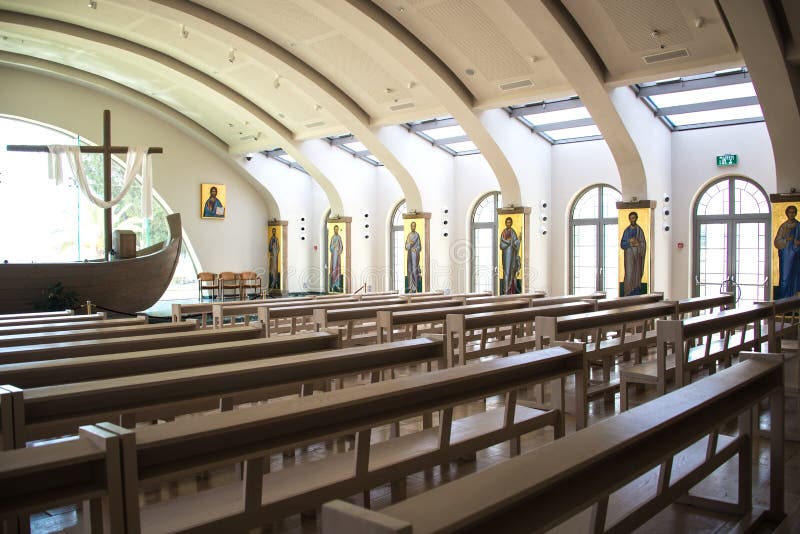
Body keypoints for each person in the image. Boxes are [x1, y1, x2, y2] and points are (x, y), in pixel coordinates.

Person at [774, 205, 800, 299]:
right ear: (787, 214)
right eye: (790, 212)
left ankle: (795, 301)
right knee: (785, 277)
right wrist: (786, 240)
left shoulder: (798, 225)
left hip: (797, 255)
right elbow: (777, 242)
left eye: (793, 212)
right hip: (786, 255)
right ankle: (783, 301)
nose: (792, 214)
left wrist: (798, 242)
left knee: (796, 277)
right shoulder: (783, 226)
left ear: (796, 213)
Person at [620, 211, 647, 296]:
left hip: (638, 256)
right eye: (631, 218)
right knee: (629, 273)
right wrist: (630, 243)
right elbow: (622, 244)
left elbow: (643, 243)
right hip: (629, 256)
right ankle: (628, 293)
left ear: (636, 218)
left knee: (637, 274)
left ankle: (636, 291)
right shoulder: (626, 231)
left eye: (634, 218)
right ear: (629, 219)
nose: (632, 220)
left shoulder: (640, 230)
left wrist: (638, 244)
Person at [499, 216, 521, 294]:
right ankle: (505, 290)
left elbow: (515, 243)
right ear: (505, 223)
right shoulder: (503, 233)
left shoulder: (513, 232)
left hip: (512, 255)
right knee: (506, 272)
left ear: (511, 223)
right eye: (507, 222)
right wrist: (508, 243)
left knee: (511, 271)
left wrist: (518, 240)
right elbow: (501, 245)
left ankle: (511, 290)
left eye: (509, 222)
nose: (508, 224)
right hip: (505, 256)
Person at [405, 221, 421, 293]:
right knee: (409, 270)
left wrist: (415, 249)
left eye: (414, 226)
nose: (413, 227)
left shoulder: (417, 235)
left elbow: (419, 247)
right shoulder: (409, 235)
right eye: (412, 226)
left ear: (415, 227)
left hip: (415, 255)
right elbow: (406, 246)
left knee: (414, 270)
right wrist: (409, 244)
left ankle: (415, 288)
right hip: (409, 255)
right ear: (410, 227)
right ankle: (410, 287)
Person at [329, 225, 343, 292]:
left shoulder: (339, 237)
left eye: (337, 229)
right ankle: (333, 284)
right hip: (333, 255)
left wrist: (339, 252)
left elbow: (341, 246)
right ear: (334, 230)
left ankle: (337, 284)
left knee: (338, 269)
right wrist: (333, 246)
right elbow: (330, 248)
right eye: (335, 229)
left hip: (337, 256)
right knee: (333, 269)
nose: (336, 230)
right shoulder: (332, 237)